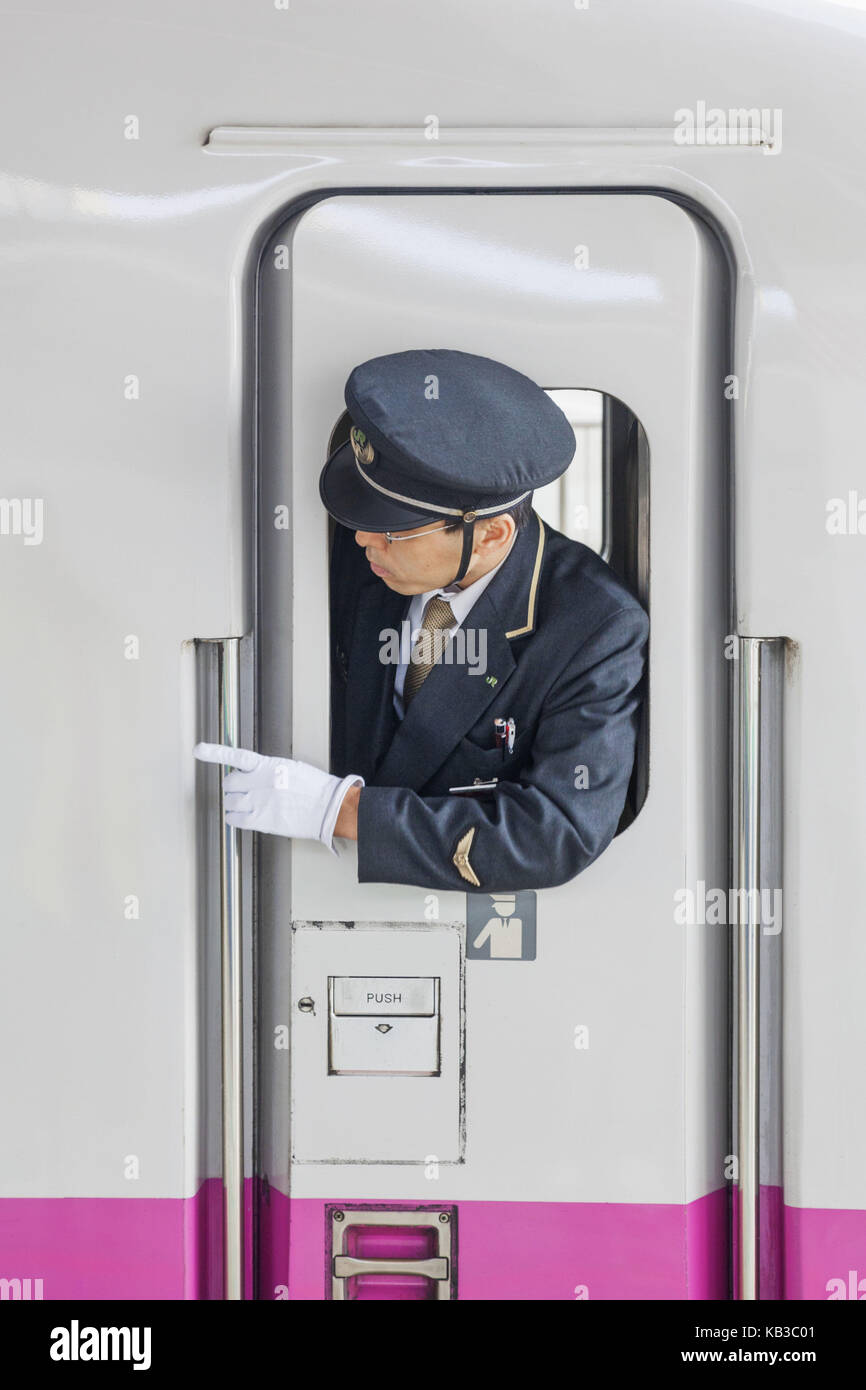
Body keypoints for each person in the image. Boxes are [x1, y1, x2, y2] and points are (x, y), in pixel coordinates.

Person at [195, 348, 649, 893]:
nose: (364, 537)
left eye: (393, 530)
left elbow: (553, 834)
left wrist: (342, 810)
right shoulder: (361, 556)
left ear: (491, 534)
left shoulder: (593, 628)